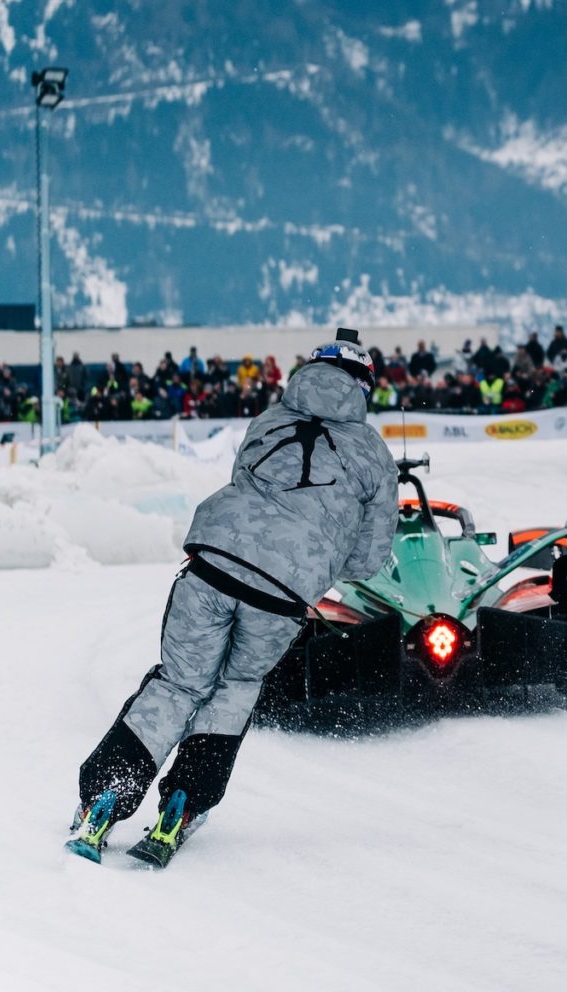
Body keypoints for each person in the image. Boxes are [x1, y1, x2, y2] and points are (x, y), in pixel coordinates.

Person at [68, 329, 396, 867]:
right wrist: (316, 556)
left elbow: (243, 483)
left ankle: (105, 798)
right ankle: (182, 804)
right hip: (282, 595)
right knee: (234, 690)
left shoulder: (268, 419)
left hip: (212, 567)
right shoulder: (374, 455)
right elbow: (368, 559)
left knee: (178, 684)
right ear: (364, 387)